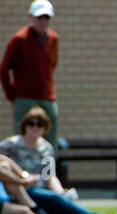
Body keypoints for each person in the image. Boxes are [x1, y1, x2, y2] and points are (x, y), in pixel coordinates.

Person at [0, 153, 94, 214]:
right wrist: (23, 181)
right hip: (15, 196)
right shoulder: (11, 144)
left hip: (14, 193)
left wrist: (24, 176)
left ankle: (35, 208)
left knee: (6, 166)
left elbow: (6, 160)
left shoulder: (46, 147)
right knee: (25, 210)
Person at [2, 2, 58, 144]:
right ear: (31, 17)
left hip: (47, 96)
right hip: (25, 97)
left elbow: (51, 66)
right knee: (22, 140)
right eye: (39, 18)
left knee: (50, 138)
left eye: (46, 18)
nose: (43, 22)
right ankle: (21, 167)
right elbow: (4, 69)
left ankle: (49, 167)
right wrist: (12, 96)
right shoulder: (19, 39)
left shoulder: (53, 39)